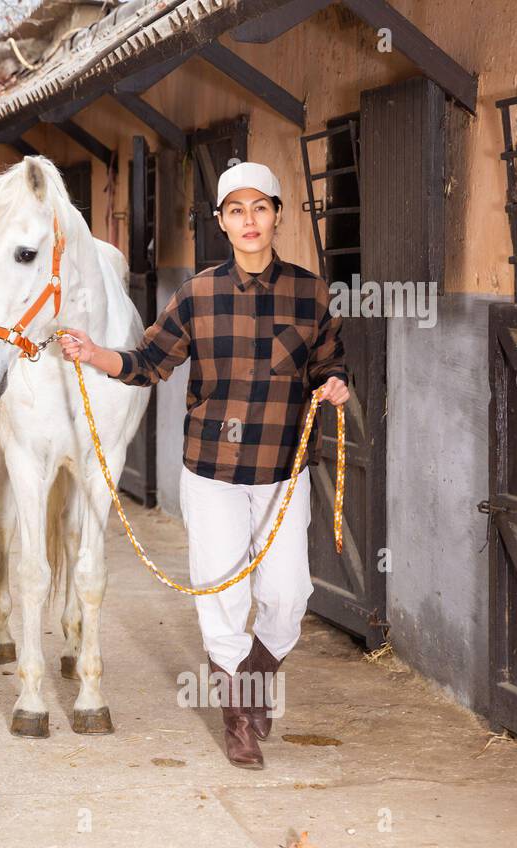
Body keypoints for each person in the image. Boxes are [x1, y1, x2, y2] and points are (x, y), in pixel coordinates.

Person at [60, 161, 350, 769]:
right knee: (221, 591)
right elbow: (147, 363)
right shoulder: (197, 293)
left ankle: (256, 674)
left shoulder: (311, 292)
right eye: (236, 211)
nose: (250, 221)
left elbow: (329, 362)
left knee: (288, 592)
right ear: (221, 222)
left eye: (260, 208)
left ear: (276, 215)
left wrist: (336, 384)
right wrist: (94, 354)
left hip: (283, 469)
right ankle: (239, 716)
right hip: (212, 469)